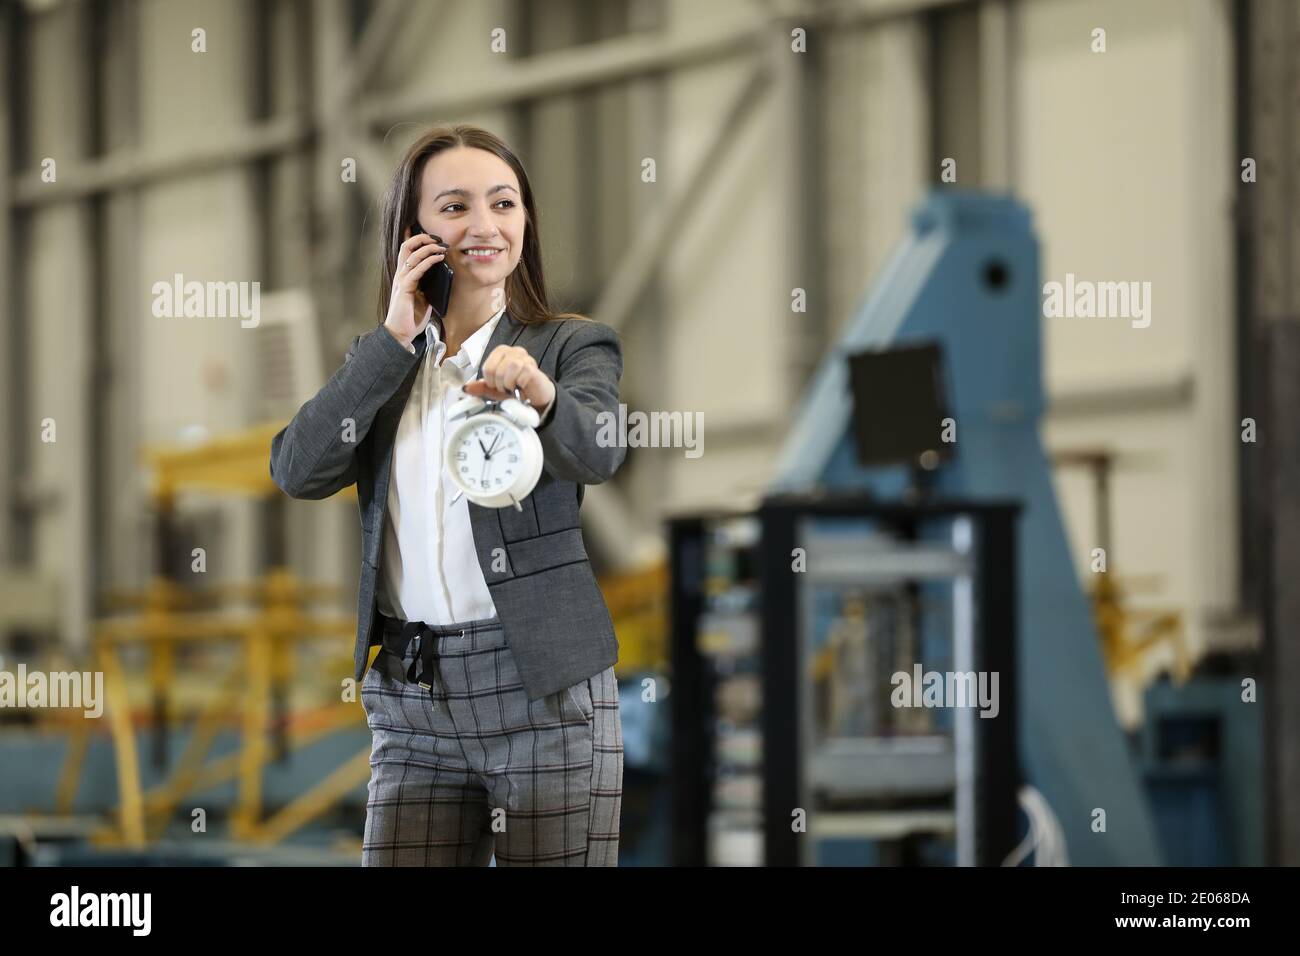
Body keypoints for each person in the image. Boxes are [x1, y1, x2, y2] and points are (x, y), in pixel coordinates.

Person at [270, 124, 627, 866]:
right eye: (456, 207)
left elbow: (599, 450)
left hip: (544, 690)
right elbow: (296, 469)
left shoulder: (569, 345)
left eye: (504, 203)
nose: (486, 226)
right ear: (415, 234)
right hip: (411, 698)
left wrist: (542, 393)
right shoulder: (383, 366)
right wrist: (393, 337)